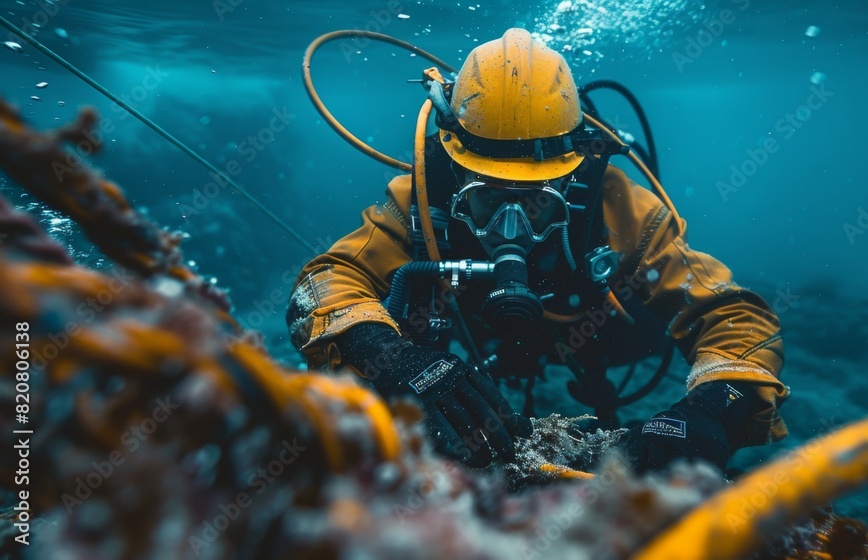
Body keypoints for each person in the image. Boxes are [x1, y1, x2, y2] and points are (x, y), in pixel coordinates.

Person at [287, 28, 789, 472]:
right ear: (457, 170)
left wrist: (711, 408)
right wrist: (391, 355)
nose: (512, 226)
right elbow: (328, 278)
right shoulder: (420, 202)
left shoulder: (620, 211)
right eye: (485, 198)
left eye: (534, 199)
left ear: (570, 178)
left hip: (601, 341)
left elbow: (733, 313)